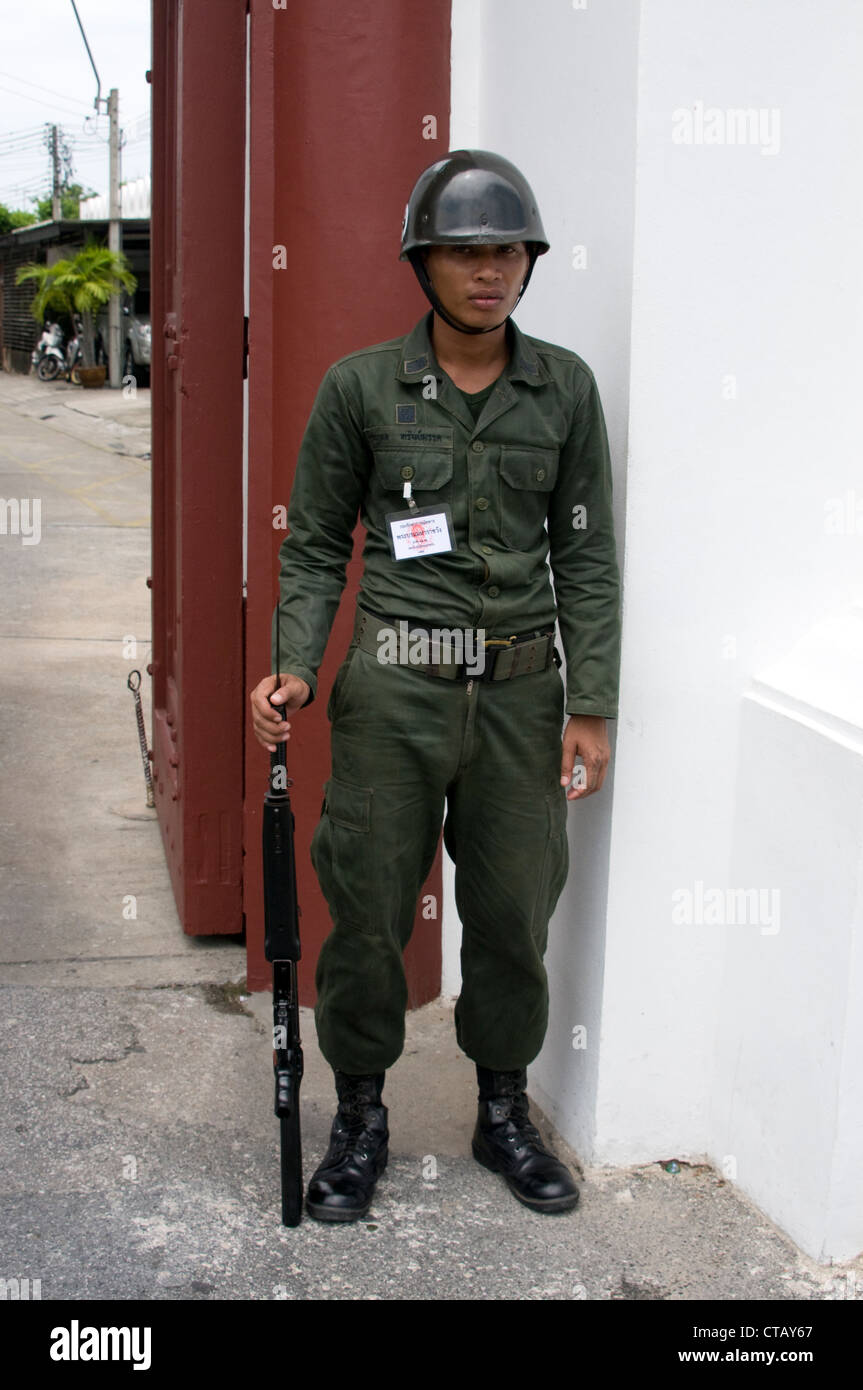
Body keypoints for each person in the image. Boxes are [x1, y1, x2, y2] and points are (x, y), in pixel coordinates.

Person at [250, 150, 622, 1223]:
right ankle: (359, 1116)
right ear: (424, 262)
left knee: (511, 915)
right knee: (365, 912)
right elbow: (316, 545)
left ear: (528, 262)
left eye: (506, 249)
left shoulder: (563, 389)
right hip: (391, 694)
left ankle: (500, 1110)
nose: (488, 270)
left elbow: (586, 556)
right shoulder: (360, 388)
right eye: (465, 251)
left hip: (519, 697)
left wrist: (588, 701)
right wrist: (292, 663)